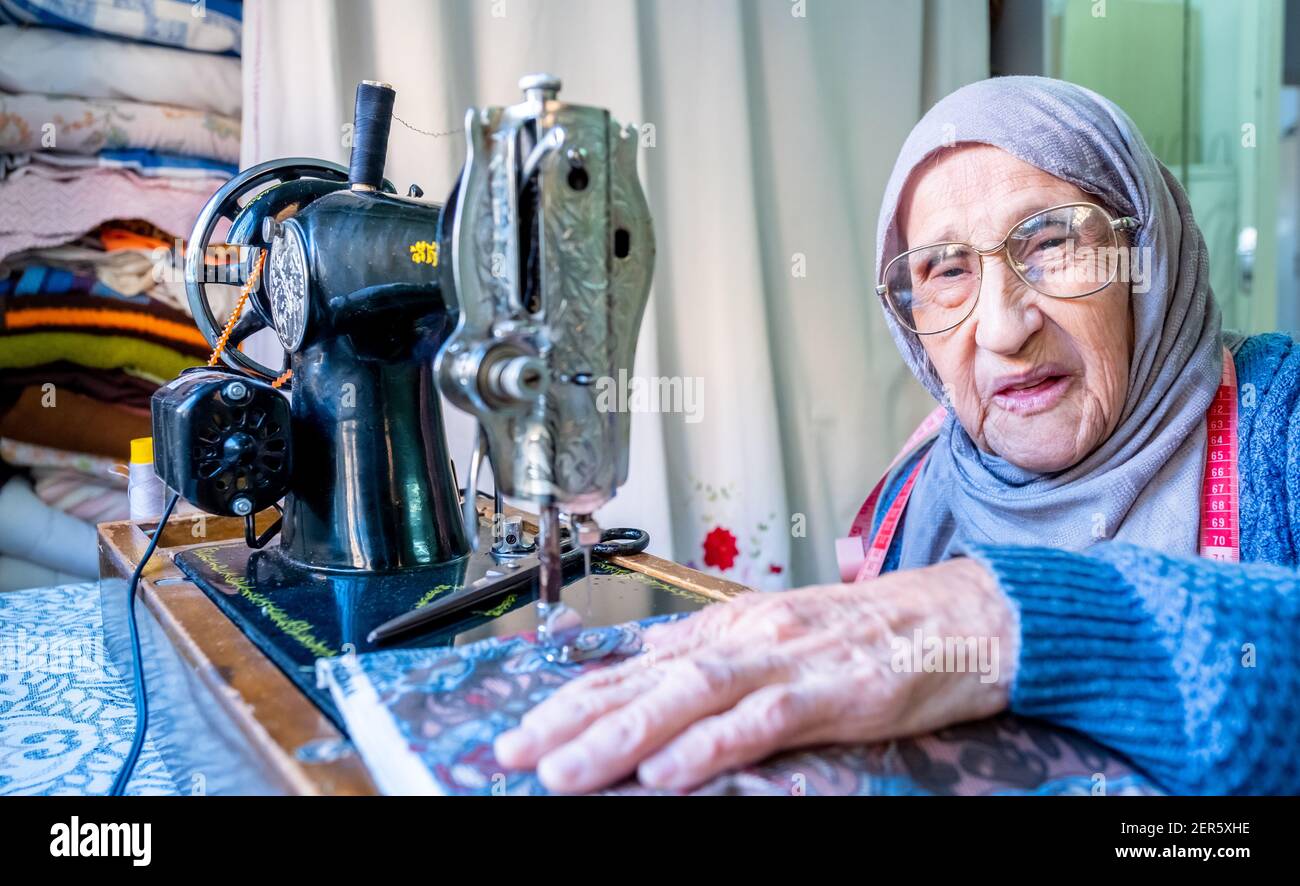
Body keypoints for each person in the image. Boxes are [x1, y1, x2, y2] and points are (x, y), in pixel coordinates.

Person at [493, 77, 1300, 795]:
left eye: (1052, 242)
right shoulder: (917, 487)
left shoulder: (1281, 419)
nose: (1003, 328)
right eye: (945, 270)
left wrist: (997, 614)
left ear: (1146, 256)